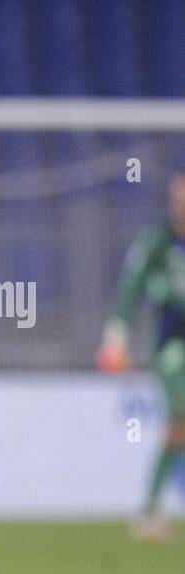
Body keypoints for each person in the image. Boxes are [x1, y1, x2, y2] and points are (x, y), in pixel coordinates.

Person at [97, 172, 185, 541]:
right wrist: (114, 340)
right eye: (179, 199)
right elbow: (127, 292)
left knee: (179, 429)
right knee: (181, 412)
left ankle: (149, 511)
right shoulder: (155, 243)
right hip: (172, 348)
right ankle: (148, 511)